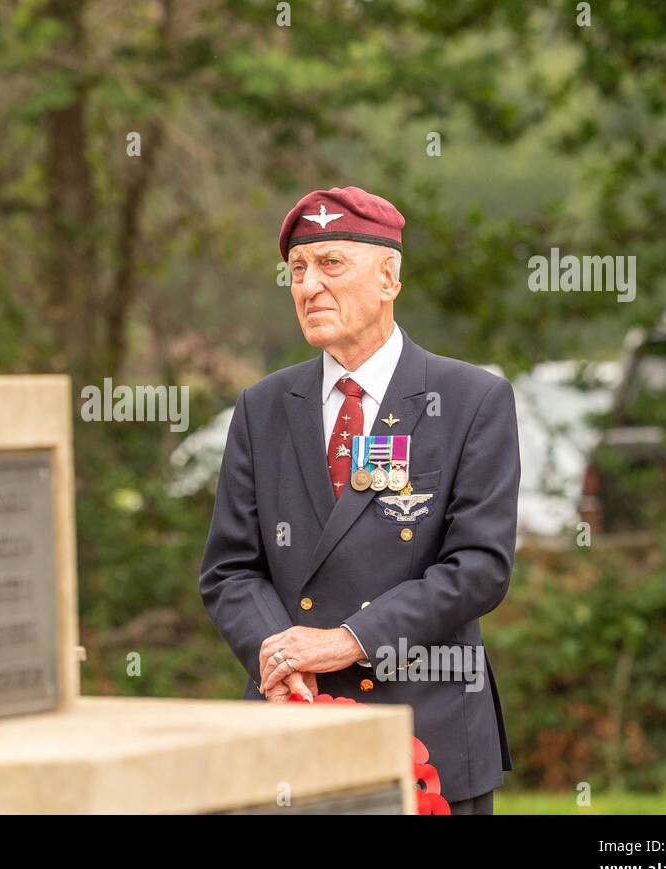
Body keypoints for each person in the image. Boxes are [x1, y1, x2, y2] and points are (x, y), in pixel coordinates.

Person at [199, 186, 518, 814]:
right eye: (296, 270)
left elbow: (478, 568)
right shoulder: (262, 408)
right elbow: (230, 569)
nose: (309, 285)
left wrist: (349, 639)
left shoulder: (470, 399)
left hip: (427, 728)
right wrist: (283, 655)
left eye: (331, 263)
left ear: (389, 277)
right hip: (293, 720)